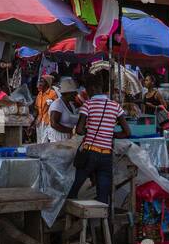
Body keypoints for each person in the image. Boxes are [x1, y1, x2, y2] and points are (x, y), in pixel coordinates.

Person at [66, 74, 130, 204]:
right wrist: (110, 134)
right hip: (106, 155)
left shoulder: (88, 105)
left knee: (73, 190)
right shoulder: (115, 106)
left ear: (93, 88)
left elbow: (79, 130)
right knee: (102, 197)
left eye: (88, 90)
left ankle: (73, 218)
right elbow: (127, 132)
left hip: (89, 153)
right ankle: (101, 222)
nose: (87, 93)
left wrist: (90, 131)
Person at [47, 78, 82, 142]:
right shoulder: (57, 104)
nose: (75, 95)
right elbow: (54, 124)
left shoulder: (71, 104)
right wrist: (71, 130)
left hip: (68, 138)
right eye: (73, 93)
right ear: (66, 94)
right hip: (58, 140)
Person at [33, 73, 57, 142]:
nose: (39, 83)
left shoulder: (52, 93)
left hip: (48, 121)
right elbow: (37, 108)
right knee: (39, 141)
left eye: (42, 82)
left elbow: (56, 107)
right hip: (39, 121)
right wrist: (34, 121)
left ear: (47, 83)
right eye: (39, 81)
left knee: (44, 141)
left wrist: (51, 103)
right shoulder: (39, 94)